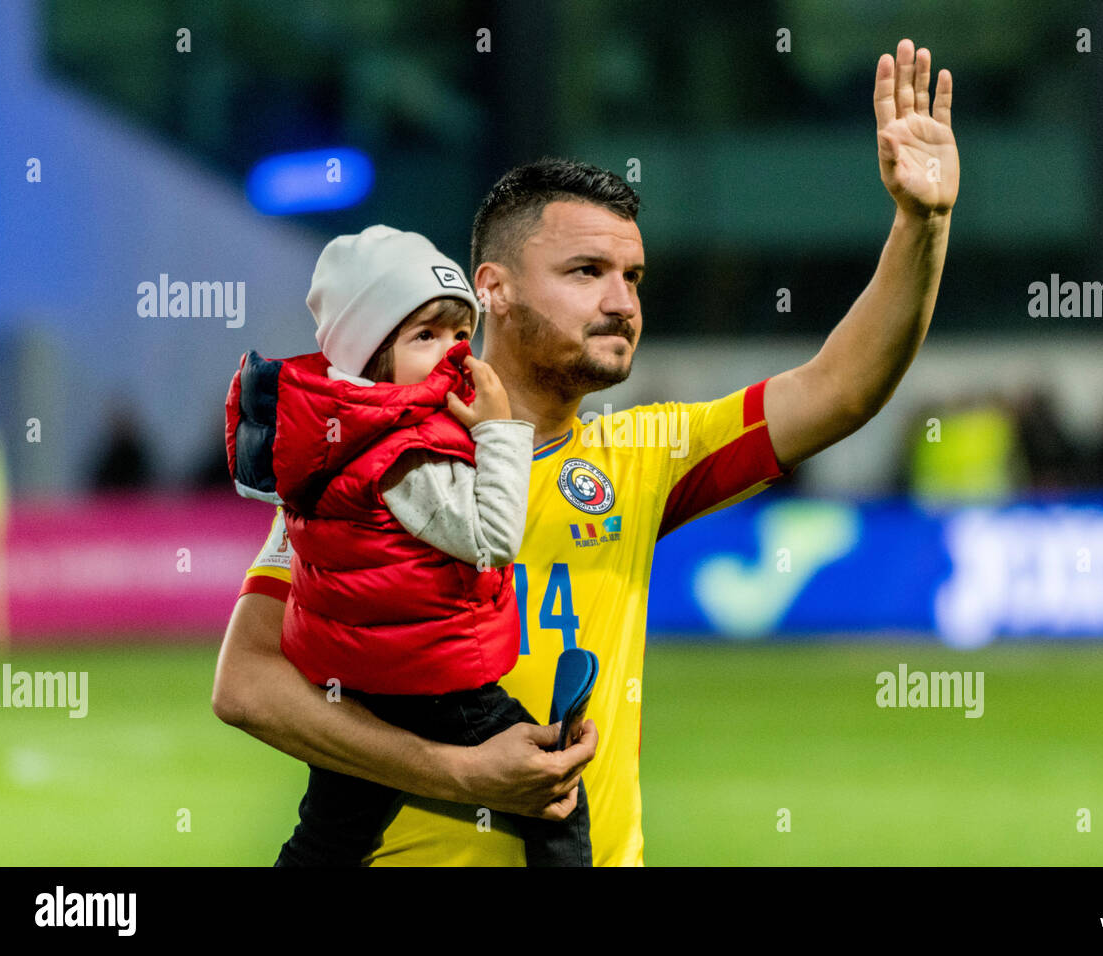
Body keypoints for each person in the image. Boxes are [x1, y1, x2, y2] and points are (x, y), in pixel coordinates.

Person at [213, 39, 958, 865]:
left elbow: (840, 388)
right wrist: (462, 774)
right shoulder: (374, 457)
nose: (620, 302)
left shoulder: (645, 454)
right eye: (585, 271)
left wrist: (921, 224)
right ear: (492, 287)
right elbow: (246, 685)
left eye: (632, 277)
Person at [225, 226, 589, 865]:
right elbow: (493, 540)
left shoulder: (339, 441)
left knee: (331, 837)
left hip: (357, 684)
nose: (454, 354)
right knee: (553, 788)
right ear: (370, 357)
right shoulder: (404, 455)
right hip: (432, 681)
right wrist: (502, 431)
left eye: (460, 333)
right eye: (426, 336)